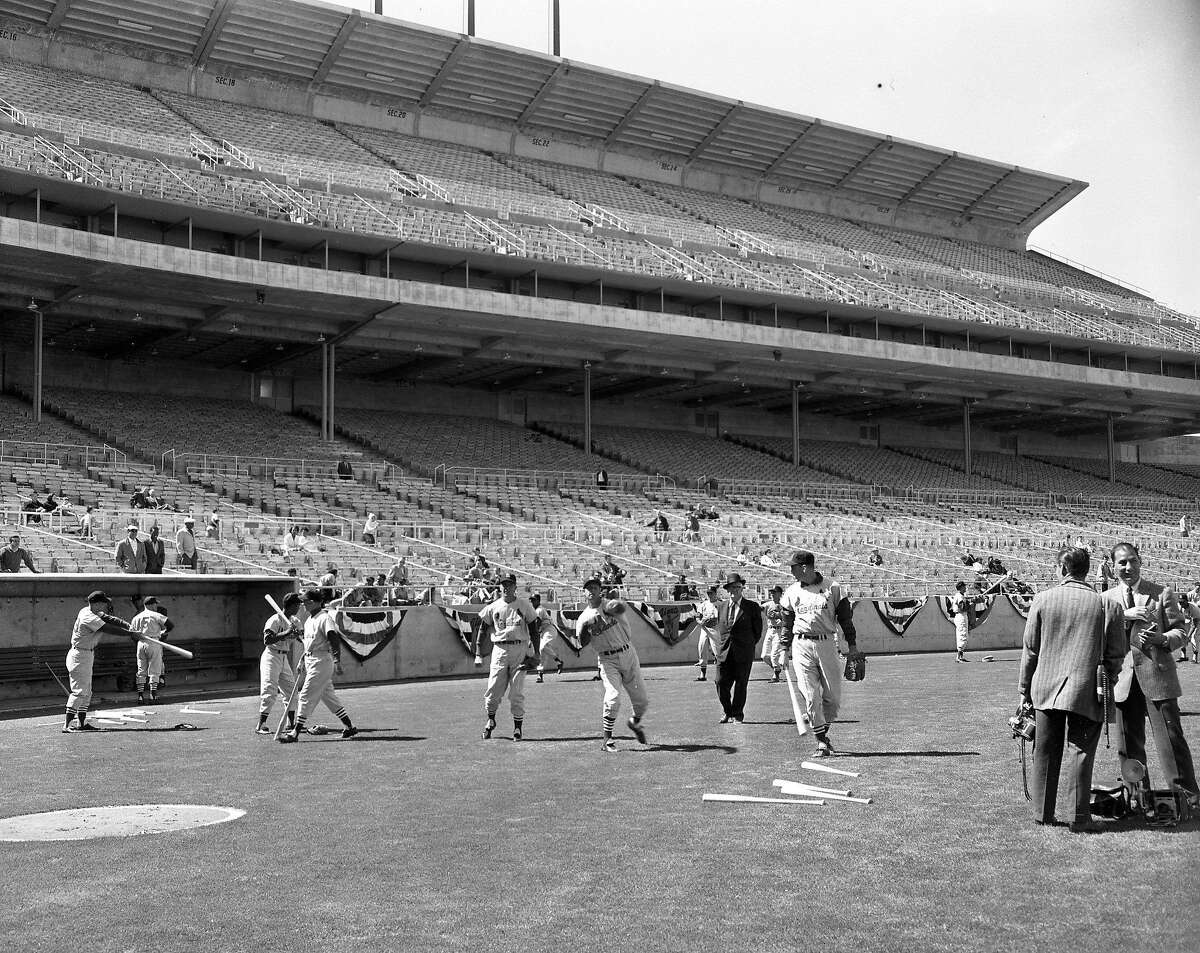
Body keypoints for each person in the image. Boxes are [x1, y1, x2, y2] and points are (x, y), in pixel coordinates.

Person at [1018, 546, 1125, 832]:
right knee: (1081, 751)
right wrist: (1108, 679)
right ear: (1086, 570)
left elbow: (1030, 651)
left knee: (1045, 751)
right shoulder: (1108, 606)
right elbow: (1117, 653)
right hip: (1088, 690)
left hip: (1045, 688)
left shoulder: (1042, 599)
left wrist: (1024, 690)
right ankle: (1080, 818)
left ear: (1062, 569)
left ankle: (1043, 814)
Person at [1103, 542, 1198, 800]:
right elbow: (1099, 637)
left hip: (1158, 676)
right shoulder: (1105, 600)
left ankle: (1185, 797)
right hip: (1122, 679)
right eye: (1122, 562)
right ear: (1113, 568)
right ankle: (1138, 797)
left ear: (1140, 561)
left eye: (1132, 560)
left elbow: (1180, 631)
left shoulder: (1161, 593)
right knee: (1128, 743)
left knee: (1171, 738)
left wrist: (1162, 639)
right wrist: (1125, 615)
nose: (1128, 567)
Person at [779, 550, 858, 758]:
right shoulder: (791, 591)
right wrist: (783, 648)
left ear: (804, 567)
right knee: (811, 696)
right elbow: (786, 624)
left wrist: (853, 646)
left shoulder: (833, 588)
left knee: (832, 698)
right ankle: (822, 742)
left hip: (826, 644)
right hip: (801, 644)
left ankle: (823, 732)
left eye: (793, 567)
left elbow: (846, 620)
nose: (791, 571)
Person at [576, 577, 649, 752]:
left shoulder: (611, 605)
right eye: (588, 588)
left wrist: (611, 609)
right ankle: (607, 740)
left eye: (595, 587)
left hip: (628, 653)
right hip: (607, 660)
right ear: (584, 592)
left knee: (642, 702)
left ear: (600, 589)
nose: (591, 590)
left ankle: (634, 722)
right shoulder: (583, 617)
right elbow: (583, 642)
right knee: (613, 696)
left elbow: (621, 607)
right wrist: (587, 626)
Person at [278, 588, 358, 743]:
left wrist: (337, 660)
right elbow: (309, 645)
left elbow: (333, 637)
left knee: (305, 695)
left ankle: (294, 733)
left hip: (321, 661)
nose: (303, 604)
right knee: (329, 698)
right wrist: (302, 659)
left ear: (316, 602)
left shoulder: (324, 617)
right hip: (311, 660)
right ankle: (350, 727)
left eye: (307, 601)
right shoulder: (308, 620)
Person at [63, 591, 139, 732]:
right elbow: (107, 628)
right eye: (104, 602)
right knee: (79, 692)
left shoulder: (89, 610)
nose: (105, 605)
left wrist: (128, 626)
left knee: (87, 692)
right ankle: (66, 726)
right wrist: (131, 634)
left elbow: (109, 619)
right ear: (97, 603)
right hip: (79, 656)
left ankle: (81, 724)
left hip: (86, 654)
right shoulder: (88, 616)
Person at [472, 574, 537, 740]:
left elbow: (534, 630)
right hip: (499, 649)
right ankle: (491, 720)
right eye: (503, 585)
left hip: (519, 649)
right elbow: (482, 629)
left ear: (515, 587)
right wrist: (478, 652)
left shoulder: (524, 605)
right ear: (499, 587)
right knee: (493, 691)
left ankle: (517, 728)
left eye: (509, 584)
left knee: (516, 692)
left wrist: (537, 654)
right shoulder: (493, 606)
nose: (506, 587)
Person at [714, 573, 763, 723]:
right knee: (720, 682)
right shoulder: (721, 606)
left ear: (742, 588)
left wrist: (747, 646)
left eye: (737, 587)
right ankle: (727, 711)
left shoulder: (752, 607)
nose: (734, 590)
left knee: (741, 684)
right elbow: (720, 629)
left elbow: (757, 631)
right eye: (731, 587)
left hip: (743, 652)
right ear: (727, 590)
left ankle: (737, 714)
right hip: (724, 652)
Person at [257, 593, 302, 735]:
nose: (299, 607)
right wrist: (287, 632)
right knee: (269, 689)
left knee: (291, 691)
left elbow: (300, 637)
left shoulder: (295, 621)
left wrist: (297, 633)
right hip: (271, 655)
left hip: (284, 658)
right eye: (298, 605)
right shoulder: (274, 620)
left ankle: (291, 724)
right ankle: (261, 724)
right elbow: (267, 640)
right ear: (292, 605)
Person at [132, 595, 173, 704]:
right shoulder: (156, 615)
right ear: (151, 605)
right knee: (154, 670)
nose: (156, 606)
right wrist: (163, 632)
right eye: (155, 604)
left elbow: (132, 634)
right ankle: (152, 697)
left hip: (140, 644)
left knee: (141, 671)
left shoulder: (136, 617)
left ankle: (140, 697)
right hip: (154, 642)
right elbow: (170, 625)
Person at [531, 593, 564, 683]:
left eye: (533, 600)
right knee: (542, 651)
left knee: (542, 647)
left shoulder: (539, 609)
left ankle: (557, 660)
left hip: (549, 629)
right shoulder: (533, 610)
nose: (531, 601)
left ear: (538, 601)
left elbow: (537, 622)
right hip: (543, 631)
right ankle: (540, 674)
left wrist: (535, 634)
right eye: (530, 600)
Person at [695, 585, 722, 682]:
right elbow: (697, 617)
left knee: (717, 651)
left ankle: (721, 673)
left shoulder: (720, 604)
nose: (710, 595)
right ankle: (702, 674)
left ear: (716, 593)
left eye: (712, 593)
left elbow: (723, 618)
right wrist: (700, 622)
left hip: (715, 629)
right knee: (701, 648)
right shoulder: (703, 604)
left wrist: (715, 620)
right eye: (708, 593)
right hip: (704, 629)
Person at [761, 585, 787, 681]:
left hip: (779, 631)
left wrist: (781, 617)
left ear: (780, 593)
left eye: (774, 592)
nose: (772, 594)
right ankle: (777, 669)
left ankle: (776, 675)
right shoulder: (768, 604)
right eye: (771, 592)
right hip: (770, 630)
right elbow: (759, 608)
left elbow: (789, 617)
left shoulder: (784, 604)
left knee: (774, 655)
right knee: (764, 656)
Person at [950, 581, 970, 663]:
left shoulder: (960, 595)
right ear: (961, 587)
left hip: (961, 616)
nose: (965, 588)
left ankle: (960, 656)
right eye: (964, 586)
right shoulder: (959, 596)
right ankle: (958, 657)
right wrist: (971, 603)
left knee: (963, 635)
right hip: (960, 615)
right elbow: (962, 607)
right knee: (962, 635)